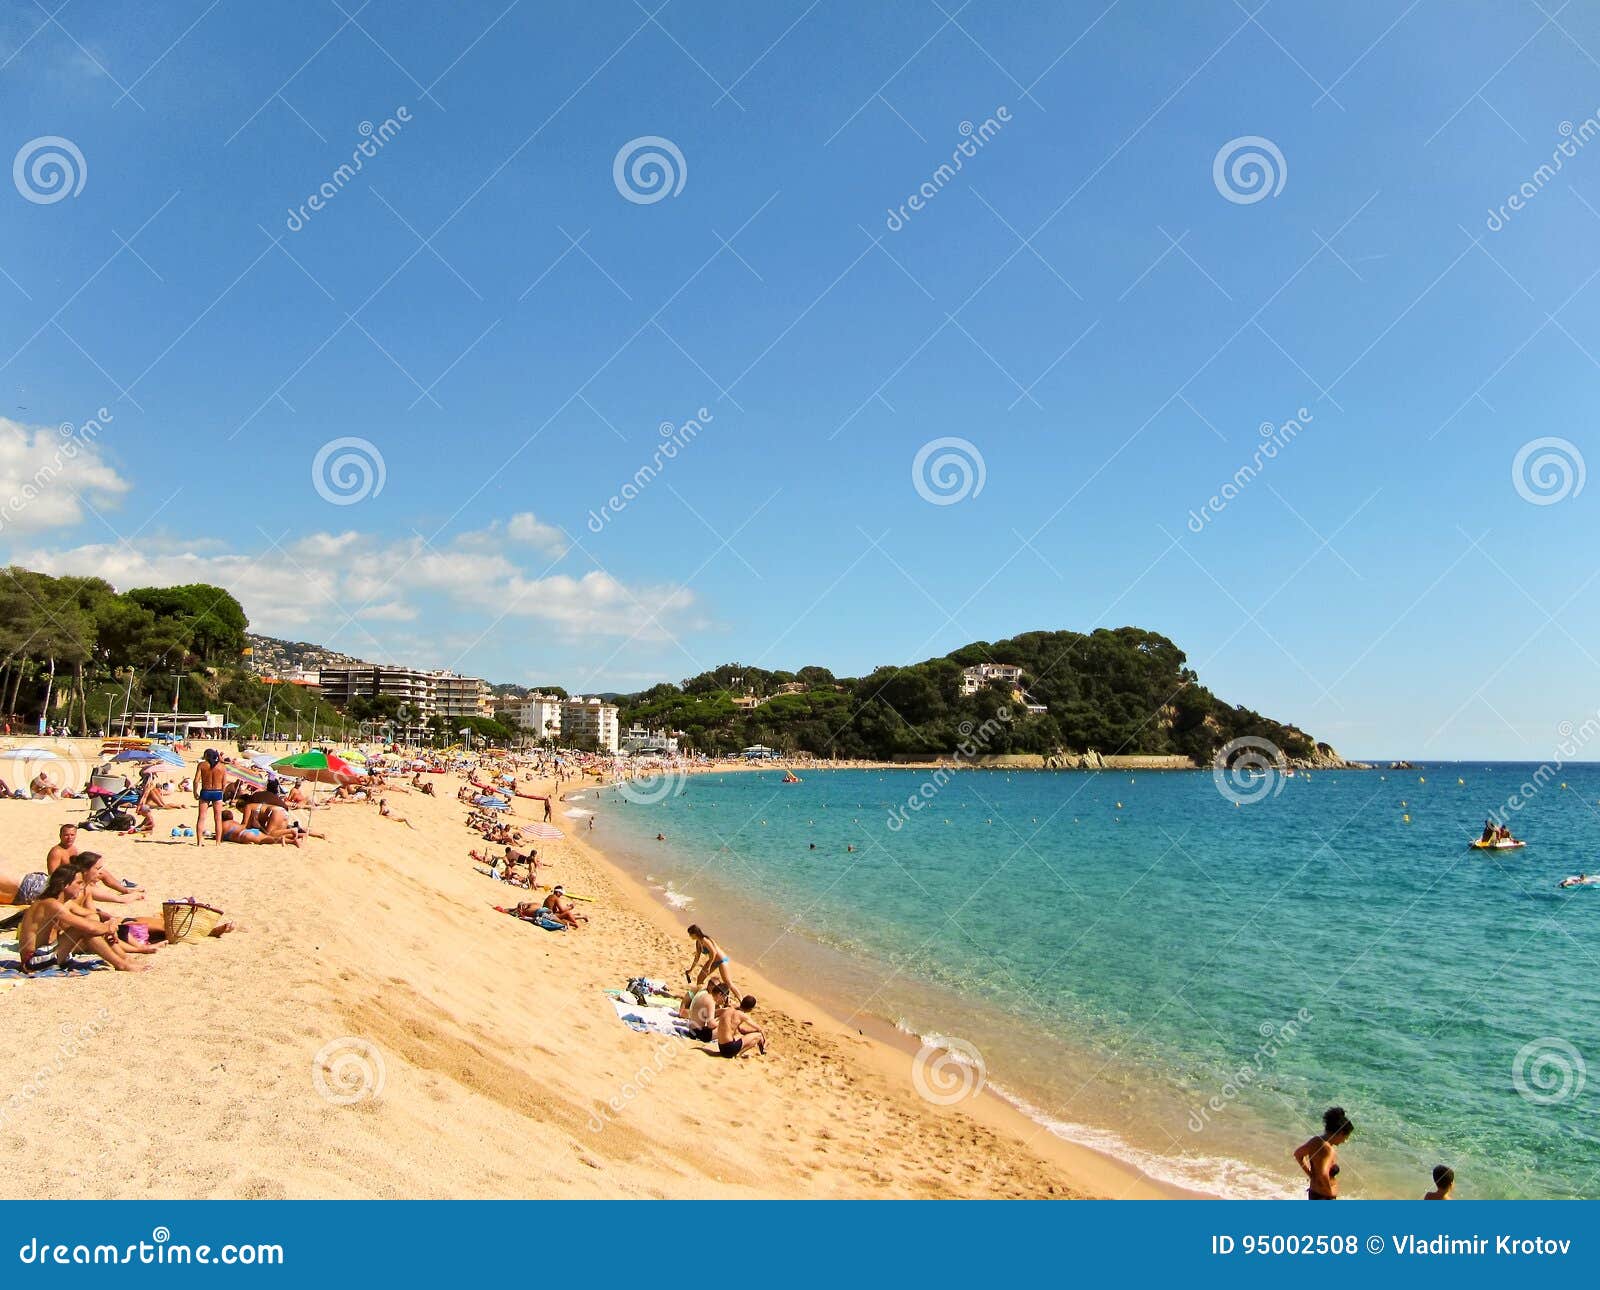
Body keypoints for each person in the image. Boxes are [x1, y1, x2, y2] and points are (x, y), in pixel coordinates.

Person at [16, 868, 147, 972]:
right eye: (78, 883)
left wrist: (109, 922)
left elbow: (90, 915)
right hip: (32, 961)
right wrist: (108, 928)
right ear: (64, 885)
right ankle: (121, 964)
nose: (82, 886)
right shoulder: (51, 904)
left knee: (90, 925)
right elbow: (87, 927)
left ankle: (123, 960)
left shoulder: (57, 902)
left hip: (45, 952)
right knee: (84, 929)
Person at [46, 823, 141, 899]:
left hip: (75, 877)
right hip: (66, 882)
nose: (69, 837)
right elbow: (53, 875)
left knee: (101, 872)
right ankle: (120, 897)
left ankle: (125, 891)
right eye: (66, 835)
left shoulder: (73, 848)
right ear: (60, 836)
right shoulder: (56, 852)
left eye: (72, 835)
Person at [1293, 1106, 1354, 1199]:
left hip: (1314, 1193)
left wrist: (1311, 1175)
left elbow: (1297, 1154)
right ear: (1340, 1133)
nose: (1344, 1141)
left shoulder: (1315, 1141)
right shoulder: (1328, 1150)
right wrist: (1329, 1193)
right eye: (1346, 1137)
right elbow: (1323, 1174)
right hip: (1324, 1197)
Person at [712, 990, 766, 1058]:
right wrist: (764, 1041)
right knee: (759, 1036)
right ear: (750, 1009)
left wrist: (752, 1031)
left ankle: (737, 1053)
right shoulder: (742, 1015)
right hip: (729, 1050)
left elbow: (741, 1030)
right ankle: (739, 1054)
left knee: (738, 1035)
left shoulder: (728, 1010)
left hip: (721, 1047)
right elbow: (760, 1029)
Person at [684, 924, 734, 993]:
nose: (689, 936)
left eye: (690, 934)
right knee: (700, 978)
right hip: (714, 961)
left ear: (695, 934)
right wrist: (691, 969)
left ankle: (740, 999)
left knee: (727, 982)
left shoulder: (705, 940)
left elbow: (714, 953)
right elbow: (697, 957)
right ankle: (699, 995)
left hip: (722, 960)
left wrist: (709, 966)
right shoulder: (698, 942)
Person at [193, 748, 227, 846]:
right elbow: (224, 783)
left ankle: (199, 842)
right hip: (217, 792)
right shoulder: (222, 767)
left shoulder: (202, 765)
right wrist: (222, 793)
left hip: (205, 791)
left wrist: (195, 793)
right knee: (218, 818)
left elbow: (196, 781)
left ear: (207, 756)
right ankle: (218, 842)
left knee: (201, 817)